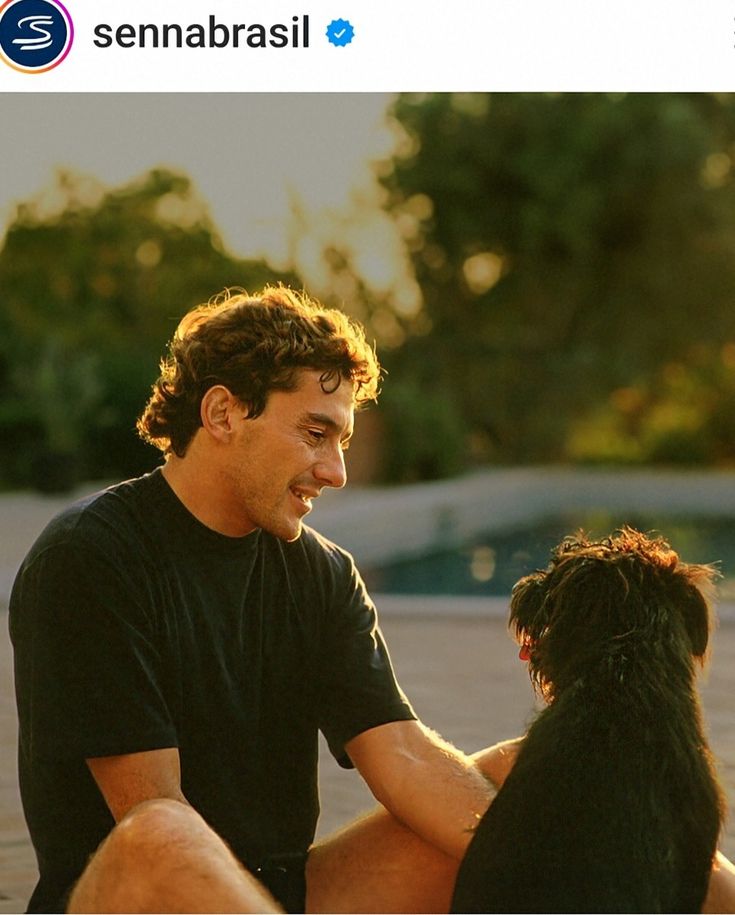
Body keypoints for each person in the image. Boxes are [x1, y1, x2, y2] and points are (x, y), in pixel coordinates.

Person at [10, 286, 735, 914]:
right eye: (316, 433)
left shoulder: (319, 572)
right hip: (135, 894)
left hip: (285, 893)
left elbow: (405, 757)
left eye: (344, 441)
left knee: (546, 777)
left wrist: (568, 852)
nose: (336, 471)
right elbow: (145, 811)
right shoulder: (92, 557)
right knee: (162, 828)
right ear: (225, 413)